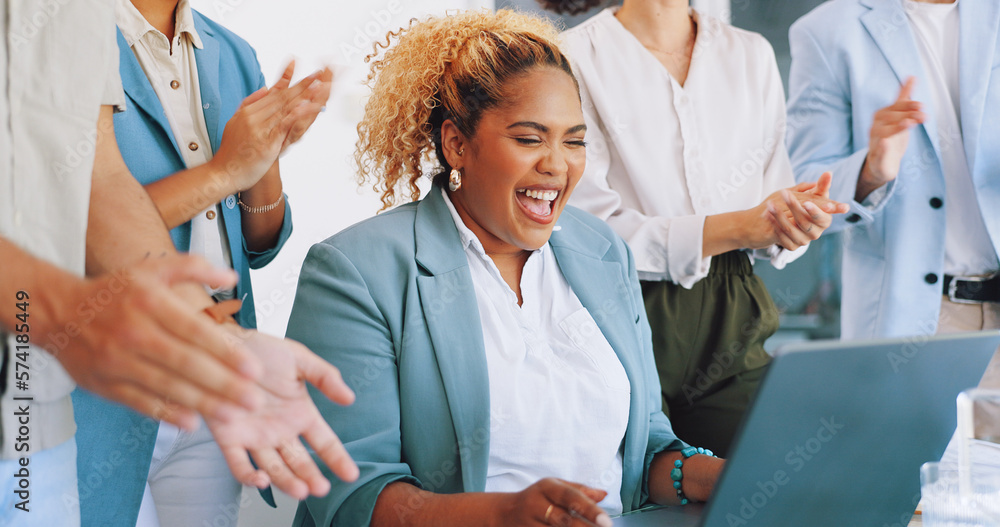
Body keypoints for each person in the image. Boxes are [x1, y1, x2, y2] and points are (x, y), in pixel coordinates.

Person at [286, 10, 727, 527]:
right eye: (529, 138)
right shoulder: (357, 271)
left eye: (574, 140)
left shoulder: (602, 250)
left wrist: (716, 474)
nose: (558, 165)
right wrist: (504, 514)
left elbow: (645, 448)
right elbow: (351, 495)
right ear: (456, 145)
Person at [0, 2, 357, 526]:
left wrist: (220, 339)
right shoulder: (83, 21)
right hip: (81, 377)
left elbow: (105, 186)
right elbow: (61, 216)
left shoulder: (228, 50)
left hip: (186, 366)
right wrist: (224, 170)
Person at [537, 0, 849, 456]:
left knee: (764, 479)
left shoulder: (751, 53)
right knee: (633, 493)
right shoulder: (571, 57)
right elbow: (586, 233)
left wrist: (795, 221)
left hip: (735, 305)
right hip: (617, 306)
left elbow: (772, 205)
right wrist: (743, 227)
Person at [786, 0, 1000, 388]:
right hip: (917, 321)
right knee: (914, 450)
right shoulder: (827, 30)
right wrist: (870, 170)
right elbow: (805, 193)